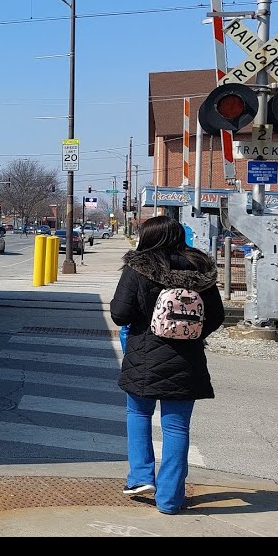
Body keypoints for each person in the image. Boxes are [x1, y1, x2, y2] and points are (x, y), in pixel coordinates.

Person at [108, 214, 224, 515]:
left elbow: (120, 314)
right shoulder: (201, 269)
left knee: (138, 413)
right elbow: (217, 317)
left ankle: (140, 478)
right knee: (176, 427)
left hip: (144, 355)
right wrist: (189, 335)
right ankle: (171, 499)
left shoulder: (139, 266)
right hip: (188, 359)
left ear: (147, 237)